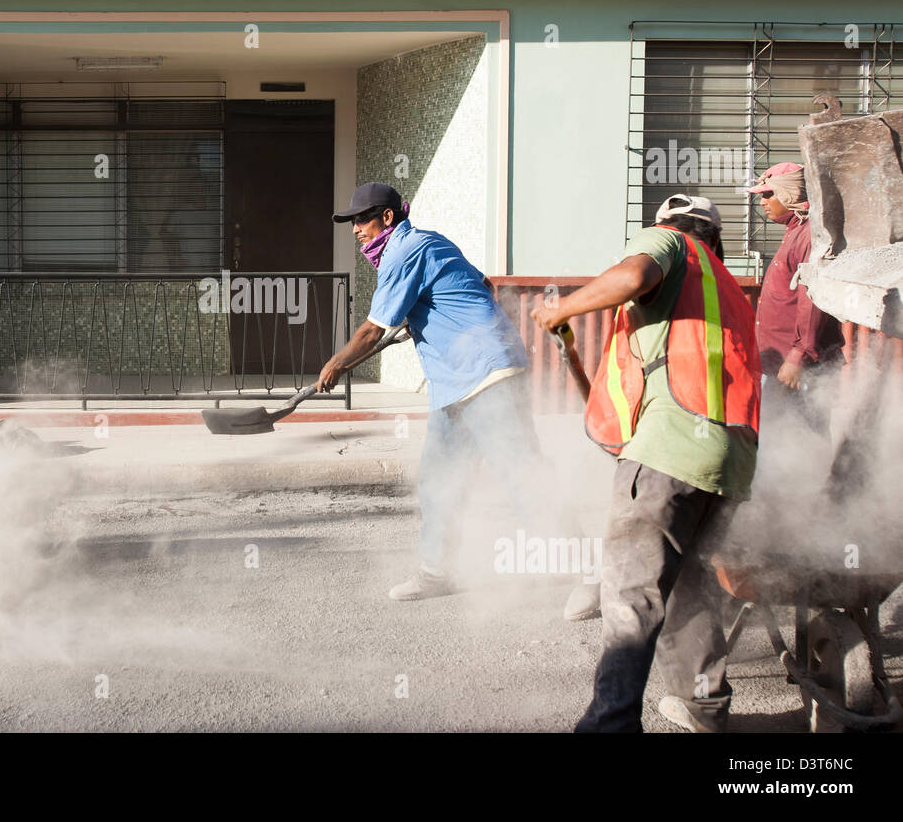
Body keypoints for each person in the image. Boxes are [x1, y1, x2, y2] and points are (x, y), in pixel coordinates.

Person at [530, 194, 762, 732]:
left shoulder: (670, 243)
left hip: (672, 453)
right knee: (690, 587)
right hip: (730, 465)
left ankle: (609, 724)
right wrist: (570, 347)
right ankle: (703, 707)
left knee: (632, 595)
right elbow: (618, 395)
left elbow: (635, 272)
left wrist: (562, 308)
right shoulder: (725, 287)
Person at [316, 182, 540, 601]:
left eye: (361, 219)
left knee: (522, 475)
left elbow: (370, 331)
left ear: (387, 217)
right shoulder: (429, 243)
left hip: (487, 374)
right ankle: (437, 571)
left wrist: (336, 364)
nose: (355, 229)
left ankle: (588, 572)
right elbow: (483, 287)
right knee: (440, 480)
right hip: (456, 382)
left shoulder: (406, 249)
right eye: (351, 222)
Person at [747, 162, 845, 436]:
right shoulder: (796, 231)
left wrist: (798, 356)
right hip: (782, 366)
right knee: (780, 438)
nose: (764, 203)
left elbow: (812, 300)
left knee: (800, 437)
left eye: (769, 195)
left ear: (789, 195)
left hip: (797, 368)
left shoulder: (808, 236)